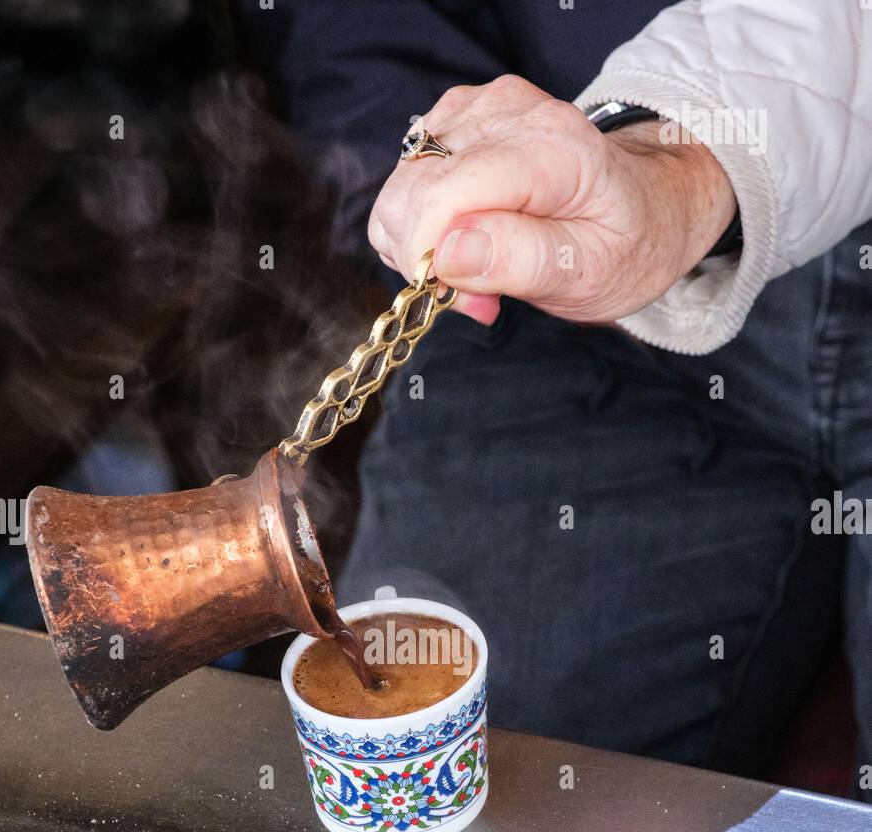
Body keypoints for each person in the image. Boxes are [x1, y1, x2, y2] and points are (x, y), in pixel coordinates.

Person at [255, 0, 872, 785]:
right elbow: (361, 31)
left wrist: (676, 159)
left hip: (653, 179)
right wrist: (437, 183)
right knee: (454, 779)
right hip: (565, 269)